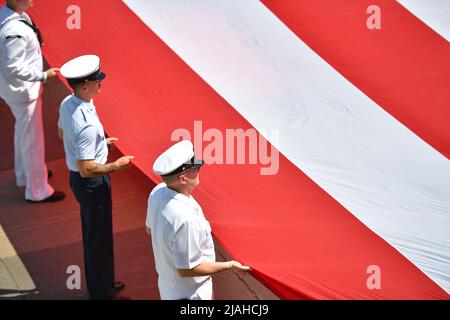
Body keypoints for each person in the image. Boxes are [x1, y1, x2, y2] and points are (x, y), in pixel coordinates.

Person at [58, 55, 133, 300]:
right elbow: (87, 169)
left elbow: (62, 133)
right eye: (97, 80)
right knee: (98, 240)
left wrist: (100, 143)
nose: (101, 83)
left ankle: (103, 284)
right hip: (92, 184)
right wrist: (115, 166)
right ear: (85, 86)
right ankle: (103, 293)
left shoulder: (69, 102)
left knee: (94, 235)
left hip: (80, 182)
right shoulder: (86, 124)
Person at [146, 140, 251, 300]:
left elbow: (150, 229)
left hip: (169, 286)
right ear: (183, 179)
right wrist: (229, 265)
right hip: (191, 294)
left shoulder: (158, 192)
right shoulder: (184, 219)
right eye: (195, 168)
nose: (199, 169)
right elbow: (187, 269)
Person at [0, 0, 65, 203]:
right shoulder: (13, 29)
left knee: (23, 134)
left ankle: (25, 175)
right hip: (23, 92)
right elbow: (13, 67)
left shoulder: (12, 17)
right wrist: (43, 75)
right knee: (33, 142)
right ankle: (37, 189)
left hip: (15, 91)